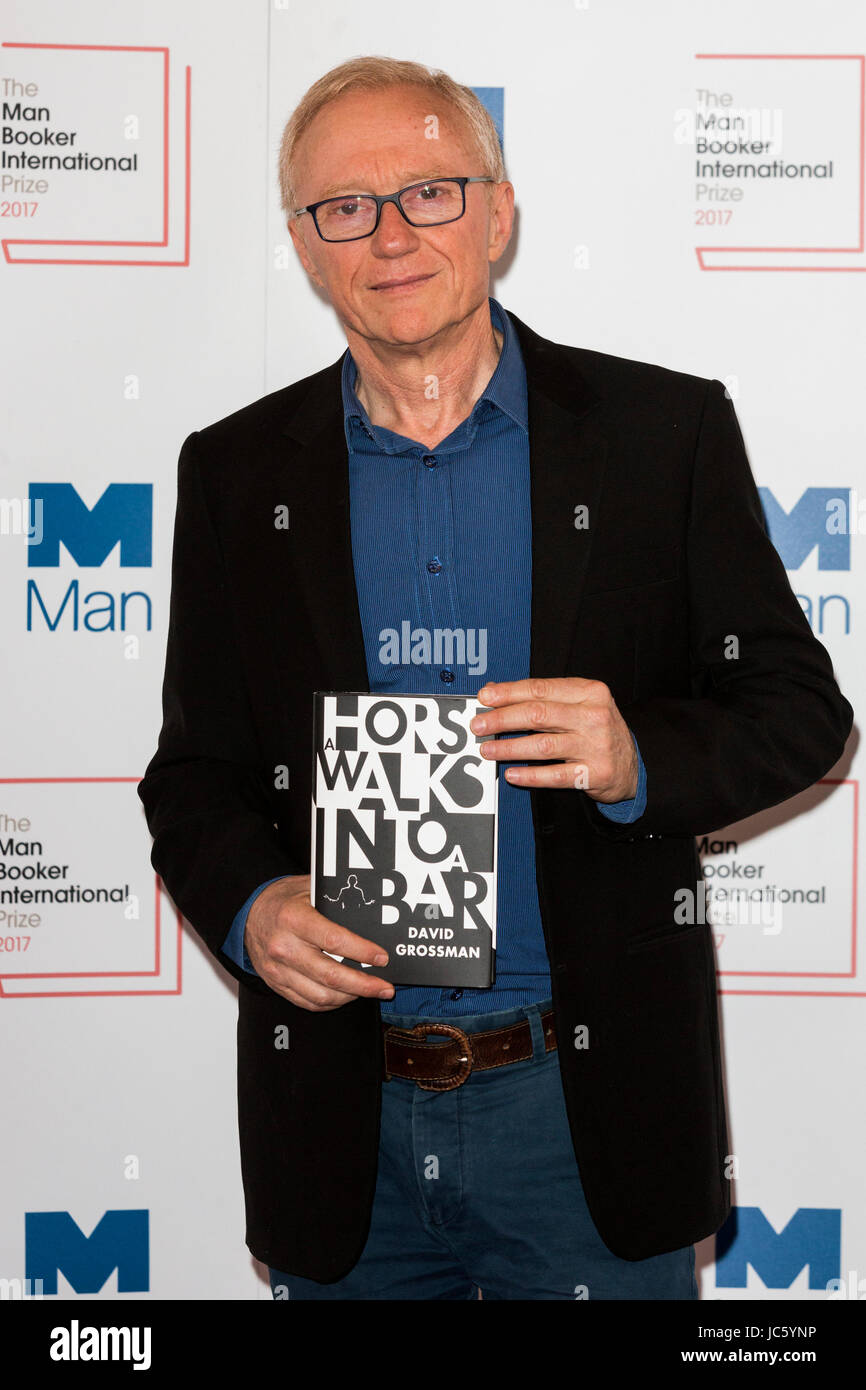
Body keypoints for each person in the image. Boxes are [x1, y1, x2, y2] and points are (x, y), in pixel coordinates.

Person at [137, 56, 853, 1300]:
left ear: (499, 210)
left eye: (430, 190)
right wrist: (251, 907)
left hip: (585, 1118)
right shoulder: (237, 470)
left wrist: (639, 756)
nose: (391, 234)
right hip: (339, 1123)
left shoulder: (659, 435)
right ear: (305, 247)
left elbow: (798, 713)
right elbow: (190, 774)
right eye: (343, 208)